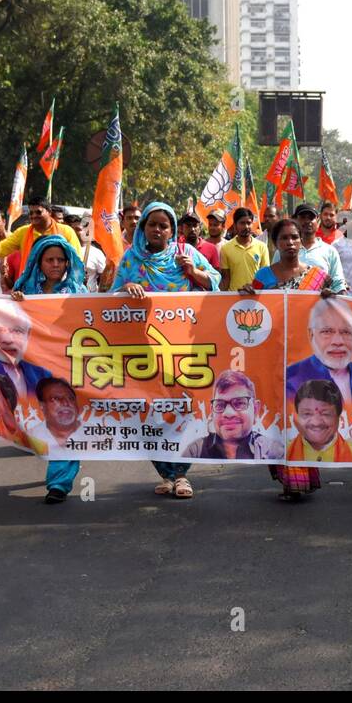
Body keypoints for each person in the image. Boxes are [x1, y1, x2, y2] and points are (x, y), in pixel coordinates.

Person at [115, 201, 221, 499]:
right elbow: (110, 298)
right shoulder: (131, 259)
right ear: (142, 228)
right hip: (143, 350)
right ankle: (165, 474)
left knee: (183, 409)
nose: (158, 230)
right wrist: (127, 289)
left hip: (183, 348)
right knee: (150, 412)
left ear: (172, 230)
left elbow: (216, 282)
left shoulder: (185, 254)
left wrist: (193, 272)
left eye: (164, 226)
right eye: (152, 224)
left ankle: (182, 474)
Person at [242, 217, 335, 498]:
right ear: (275, 243)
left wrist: (329, 298)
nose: (291, 243)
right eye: (284, 238)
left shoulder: (318, 277)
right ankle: (289, 478)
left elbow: (334, 311)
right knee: (278, 414)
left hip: (307, 358)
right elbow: (253, 315)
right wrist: (246, 296)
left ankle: (303, 474)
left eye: (294, 237)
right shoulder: (263, 278)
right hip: (272, 356)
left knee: (303, 413)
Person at [7, 234, 89, 503]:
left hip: (68, 365)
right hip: (33, 366)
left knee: (63, 419)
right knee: (40, 419)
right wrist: (15, 305)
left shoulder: (78, 292)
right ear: (38, 262)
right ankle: (59, 463)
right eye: (49, 260)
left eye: (60, 260)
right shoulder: (25, 291)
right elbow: (9, 325)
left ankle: (59, 483)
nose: (55, 264)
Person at [285, 294, 352, 402]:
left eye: (346, 332)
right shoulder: (291, 379)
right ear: (311, 335)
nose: (338, 342)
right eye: (327, 331)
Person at [0, 195, 81, 275]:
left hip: (58, 289)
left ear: (49, 212)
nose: (34, 216)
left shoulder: (66, 231)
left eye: (38, 212)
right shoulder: (23, 232)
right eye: (31, 213)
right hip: (30, 288)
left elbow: (76, 261)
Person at [181, 372, 281, 461]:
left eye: (239, 403)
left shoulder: (274, 452)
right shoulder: (195, 452)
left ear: (255, 409)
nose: (228, 413)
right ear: (212, 411)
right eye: (220, 405)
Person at [288, 378, 352, 467]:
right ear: (297, 416)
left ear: (339, 416)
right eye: (307, 414)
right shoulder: (282, 453)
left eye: (325, 414)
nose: (316, 422)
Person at [293, 203, 347, 292]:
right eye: (303, 217)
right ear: (295, 220)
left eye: (311, 218)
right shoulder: (284, 250)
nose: (307, 221)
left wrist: (331, 293)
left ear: (317, 220)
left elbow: (339, 285)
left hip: (321, 301)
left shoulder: (330, 251)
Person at [219, 206, 270, 290]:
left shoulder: (262, 247)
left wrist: (253, 288)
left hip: (255, 295)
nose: (246, 226)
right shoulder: (225, 249)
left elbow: (265, 276)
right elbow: (226, 278)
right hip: (233, 296)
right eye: (242, 223)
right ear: (235, 225)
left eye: (249, 223)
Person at [67, 213, 112, 292]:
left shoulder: (96, 253)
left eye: (77, 229)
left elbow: (105, 277)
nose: (73, 232)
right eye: (71, 230)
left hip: (89, 296)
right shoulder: (62, 251)